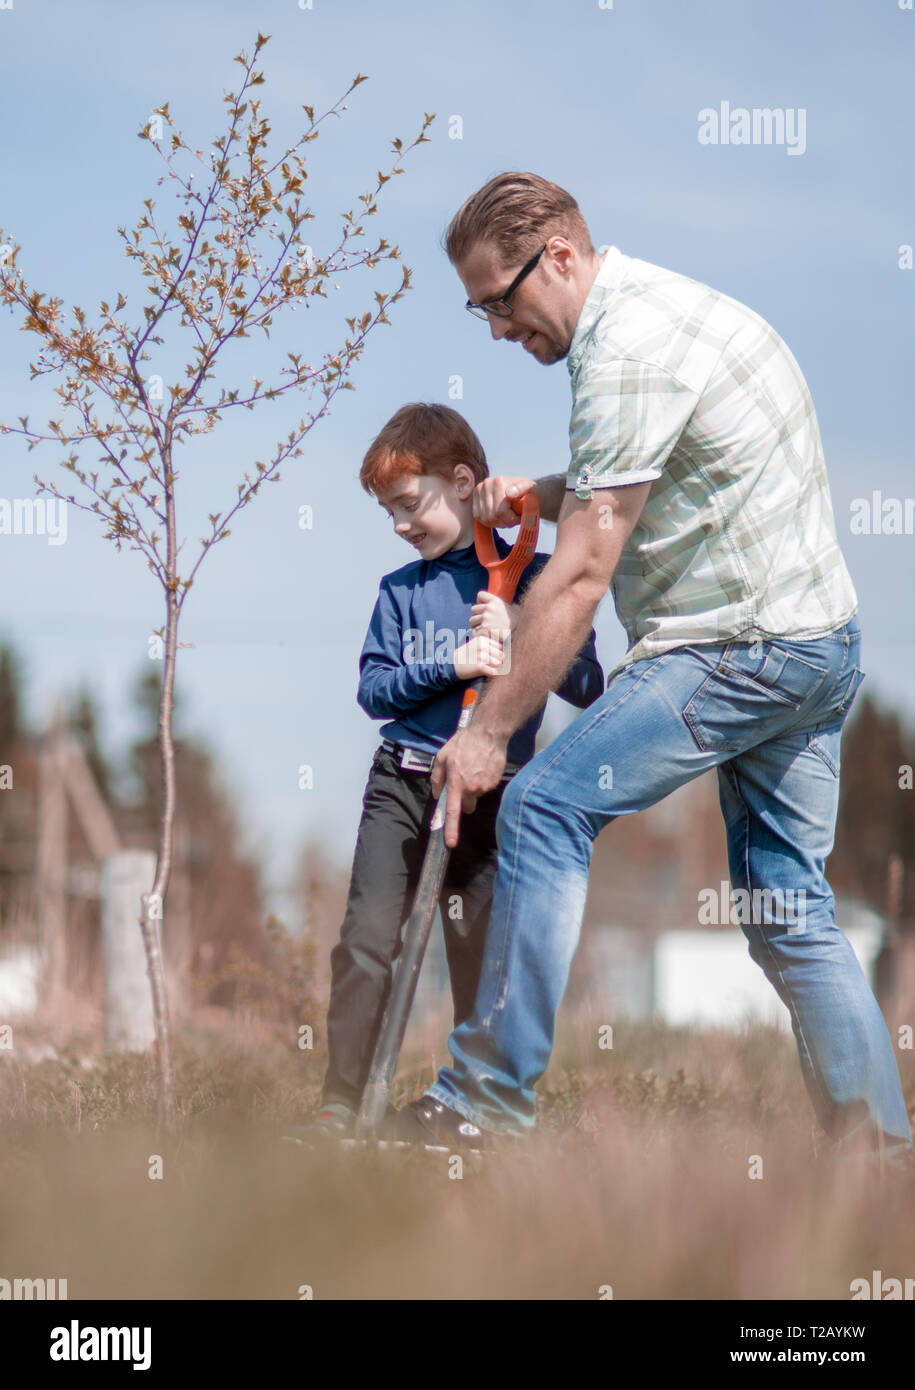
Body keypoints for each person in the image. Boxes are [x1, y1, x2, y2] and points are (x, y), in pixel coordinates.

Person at [387, 173, 914, 1174]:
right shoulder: (669, 313)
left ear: (562, 259)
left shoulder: (621, 353)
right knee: (786, 906)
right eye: (479, 310)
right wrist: (543, 492)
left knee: (541, 806)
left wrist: (490, 730)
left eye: (499, 301)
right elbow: (658, 470)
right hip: (818, 644)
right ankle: (880, 1163)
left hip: (736, 650)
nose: (495, 329)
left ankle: (485, 1103)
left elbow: (583, 571)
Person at [292, 401, 603, 1141]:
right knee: (368, 942)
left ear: (462, 484)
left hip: (494, 800)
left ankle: (469, 1112)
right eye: (388, 512)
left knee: (481, 955)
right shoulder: (400, 592)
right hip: (401, 786)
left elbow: (586, 685)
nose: (400, 523)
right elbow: (373, 692)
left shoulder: (532, 579)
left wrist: (522, 631)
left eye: (409, 504)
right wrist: (451, 663)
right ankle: (344, 1106)